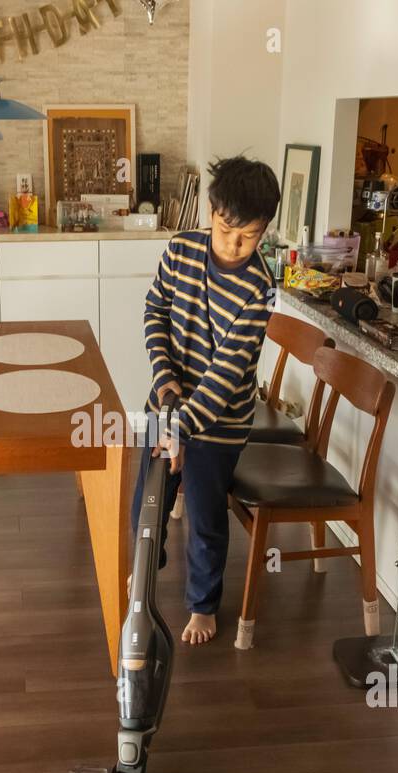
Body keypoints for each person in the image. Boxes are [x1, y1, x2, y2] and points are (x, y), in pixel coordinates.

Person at [130, 156, 280, 645]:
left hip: (219, 422)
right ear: (211, 213)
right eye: (225, 231)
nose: (234, 245)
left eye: (248, 237)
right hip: (167, 400)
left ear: (264, 231)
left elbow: (225, 376)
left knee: (204, 516)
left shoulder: (259, 289)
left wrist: (182, 429)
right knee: (147, 499)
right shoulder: (181, 250)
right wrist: (165, 383)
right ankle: (146, 569)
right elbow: (155, 310)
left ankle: (203, 603)